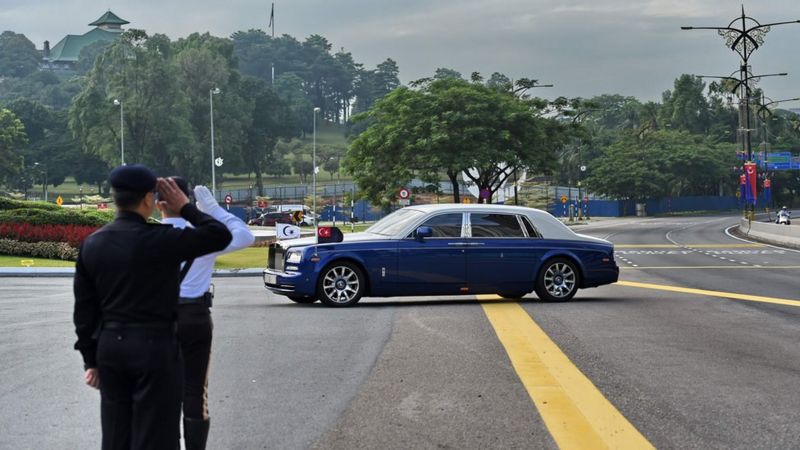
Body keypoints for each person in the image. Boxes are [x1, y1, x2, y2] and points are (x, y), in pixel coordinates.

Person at [73, 164, 232, 450]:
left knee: (115, 433)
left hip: (111, 348)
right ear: (148, 199)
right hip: (154, 347)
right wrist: (185, 207)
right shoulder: (160, 240)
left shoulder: (92, 244)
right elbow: (220, 234)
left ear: (115, 196)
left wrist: (90, 360)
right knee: (157, 433)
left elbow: (84, 312)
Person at [157, 178, 254, 450]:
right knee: (194, 390)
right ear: (186, 199)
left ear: (156, 202)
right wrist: (212, 209)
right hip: (195, 315)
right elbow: (246, 235)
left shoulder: (149, 236)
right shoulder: (202, 236)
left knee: (164, 390)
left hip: (160, 319)